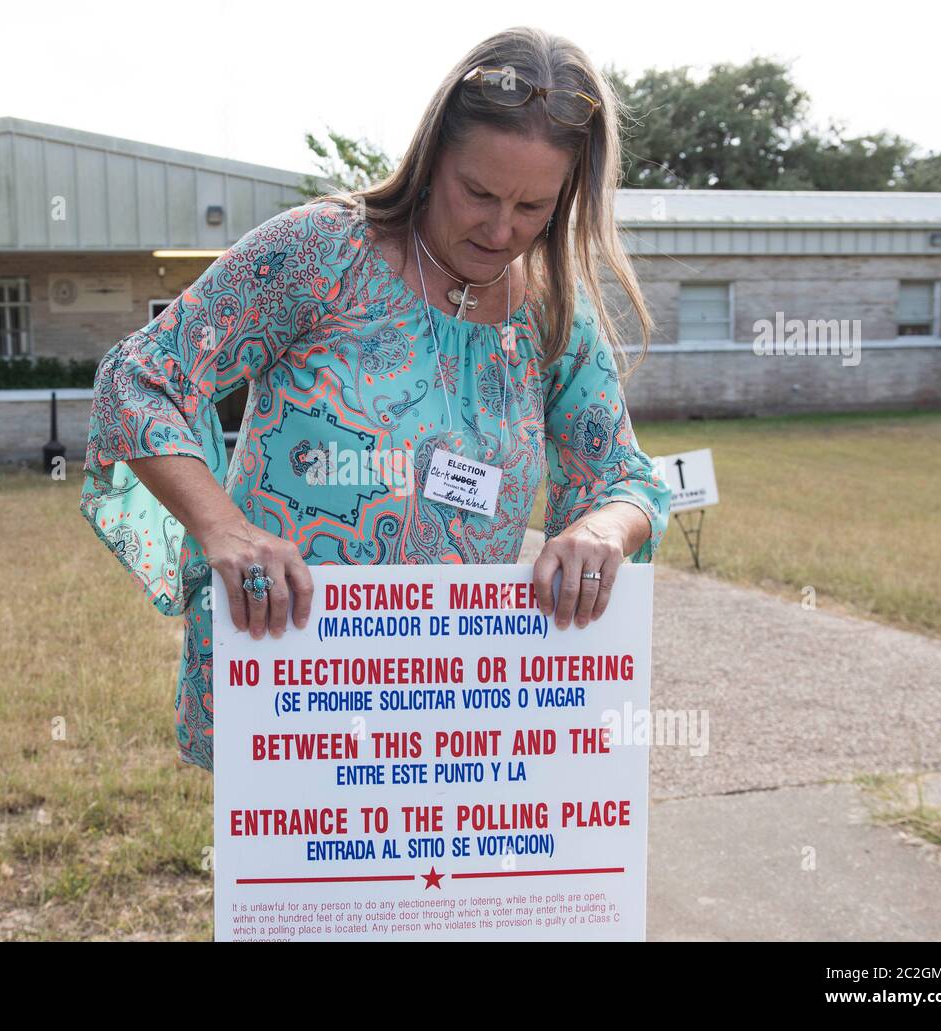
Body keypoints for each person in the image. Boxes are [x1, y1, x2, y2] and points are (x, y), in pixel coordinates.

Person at [80, 26, 670, 773]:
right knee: (299, 889)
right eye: (478, 192)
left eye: (533, 207)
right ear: (432, 159)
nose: (499, 228)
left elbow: (627, 478)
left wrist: (605, 532)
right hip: (291, 683)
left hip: (457, 707)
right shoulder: (321, 254)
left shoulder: (554, 316)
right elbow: (139, 379)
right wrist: (223, 528)